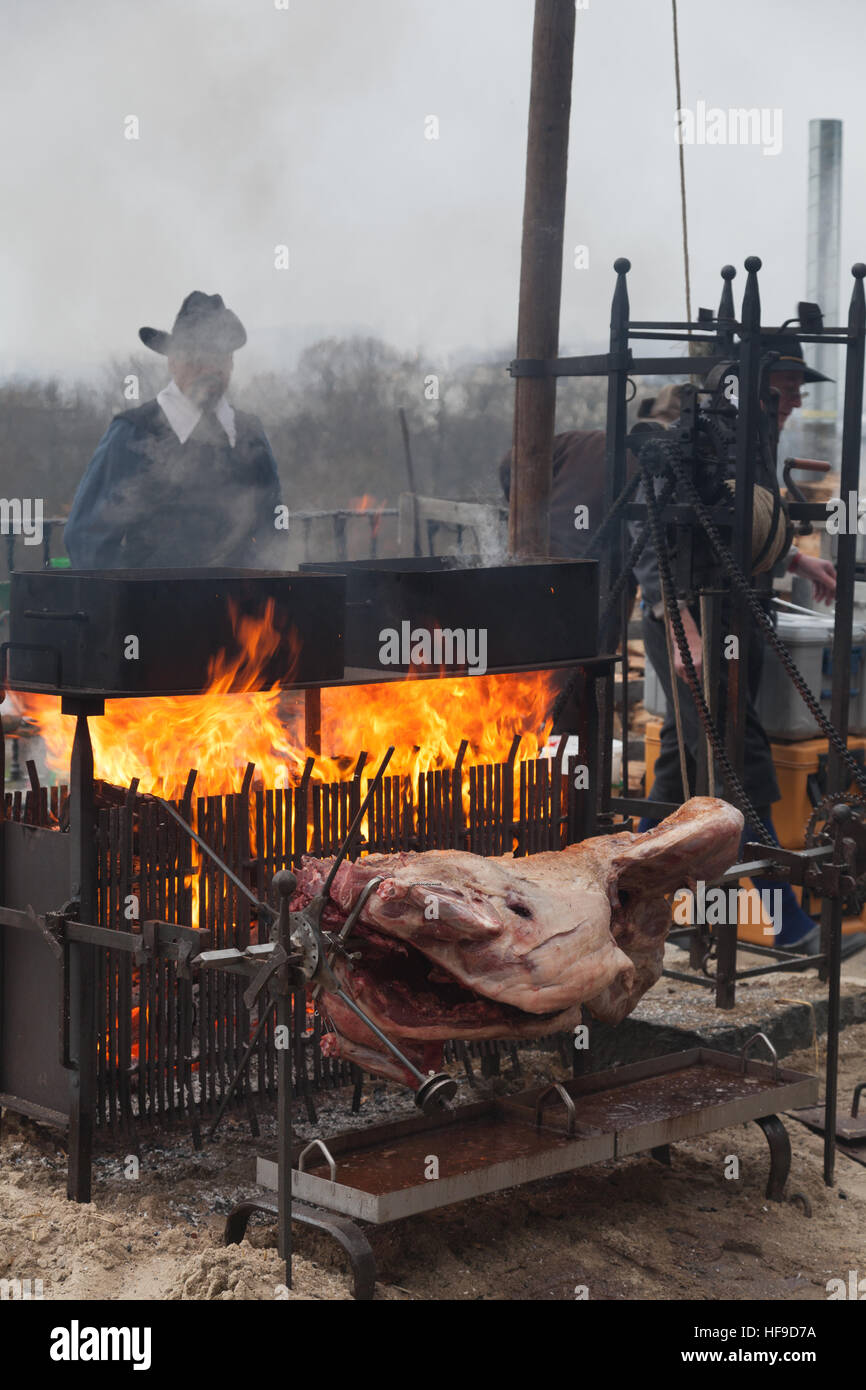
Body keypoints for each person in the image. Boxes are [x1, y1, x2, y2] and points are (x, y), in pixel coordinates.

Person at [636, 340, 863, 956]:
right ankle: (789, 926)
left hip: (737, 614)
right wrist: (679, 621)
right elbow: (650, 534)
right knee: (739, 758)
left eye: (797, 388)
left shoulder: (752, 438)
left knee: (677, 766)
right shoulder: (693, 437)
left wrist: (792, 558)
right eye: (786, 385)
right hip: (694, 620)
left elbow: (736, 527)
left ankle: (622, 901)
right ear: (753, 383)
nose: (795, 398)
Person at [65, 292, 283, 569]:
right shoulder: (133, 433)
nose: (209, 368)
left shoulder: (250, 434)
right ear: (172, 362)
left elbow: (273, 533)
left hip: (237, 609)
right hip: (151, 608)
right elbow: (87, 540)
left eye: (218, 355)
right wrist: (131, 601)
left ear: (231, 362)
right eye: (196, 356)